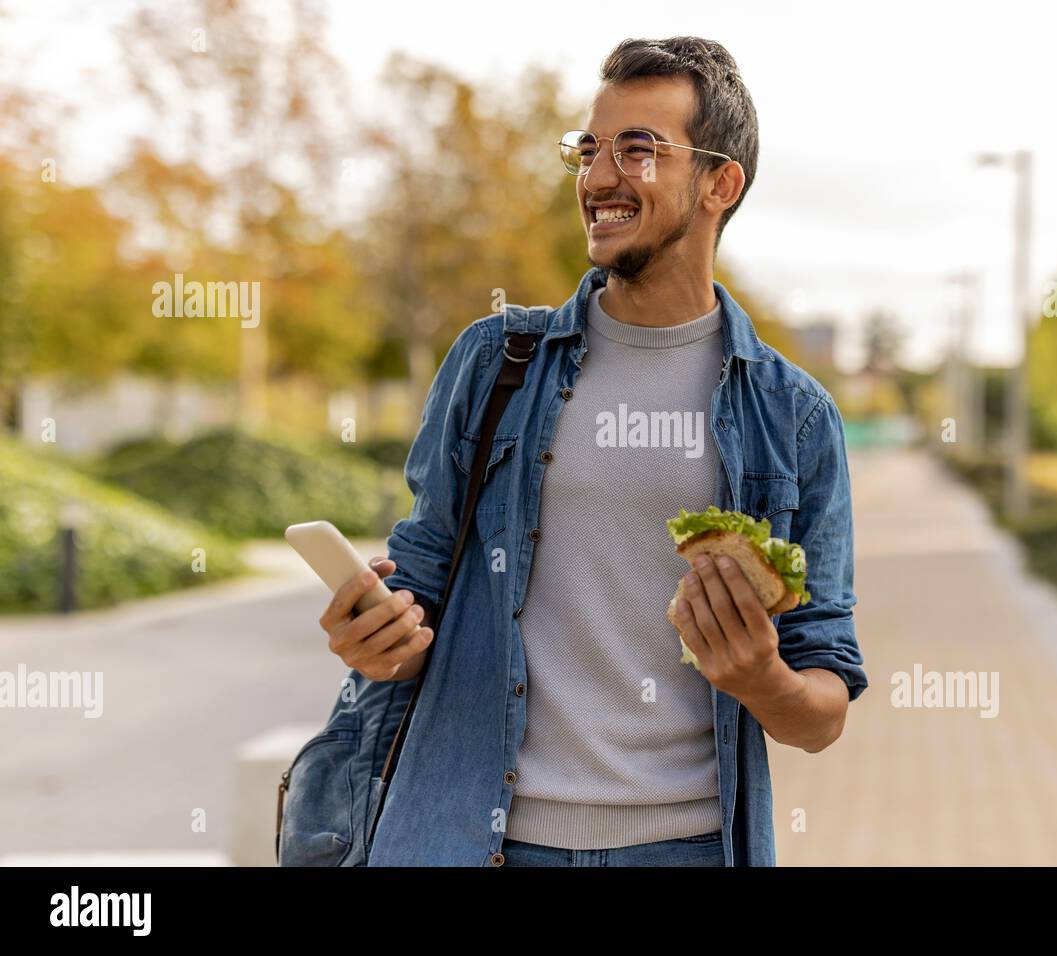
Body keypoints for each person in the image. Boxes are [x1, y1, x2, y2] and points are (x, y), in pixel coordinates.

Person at [316, 35, 868, 867]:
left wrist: (763, 679)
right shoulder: (497, 362)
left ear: (720, 183)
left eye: (638, 150)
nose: (599, 177)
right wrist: (380, 639)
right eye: (590, 148)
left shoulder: (792, 415)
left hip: (685, 846)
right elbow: (421, 580)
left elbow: (821, 710)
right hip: (473, 836)